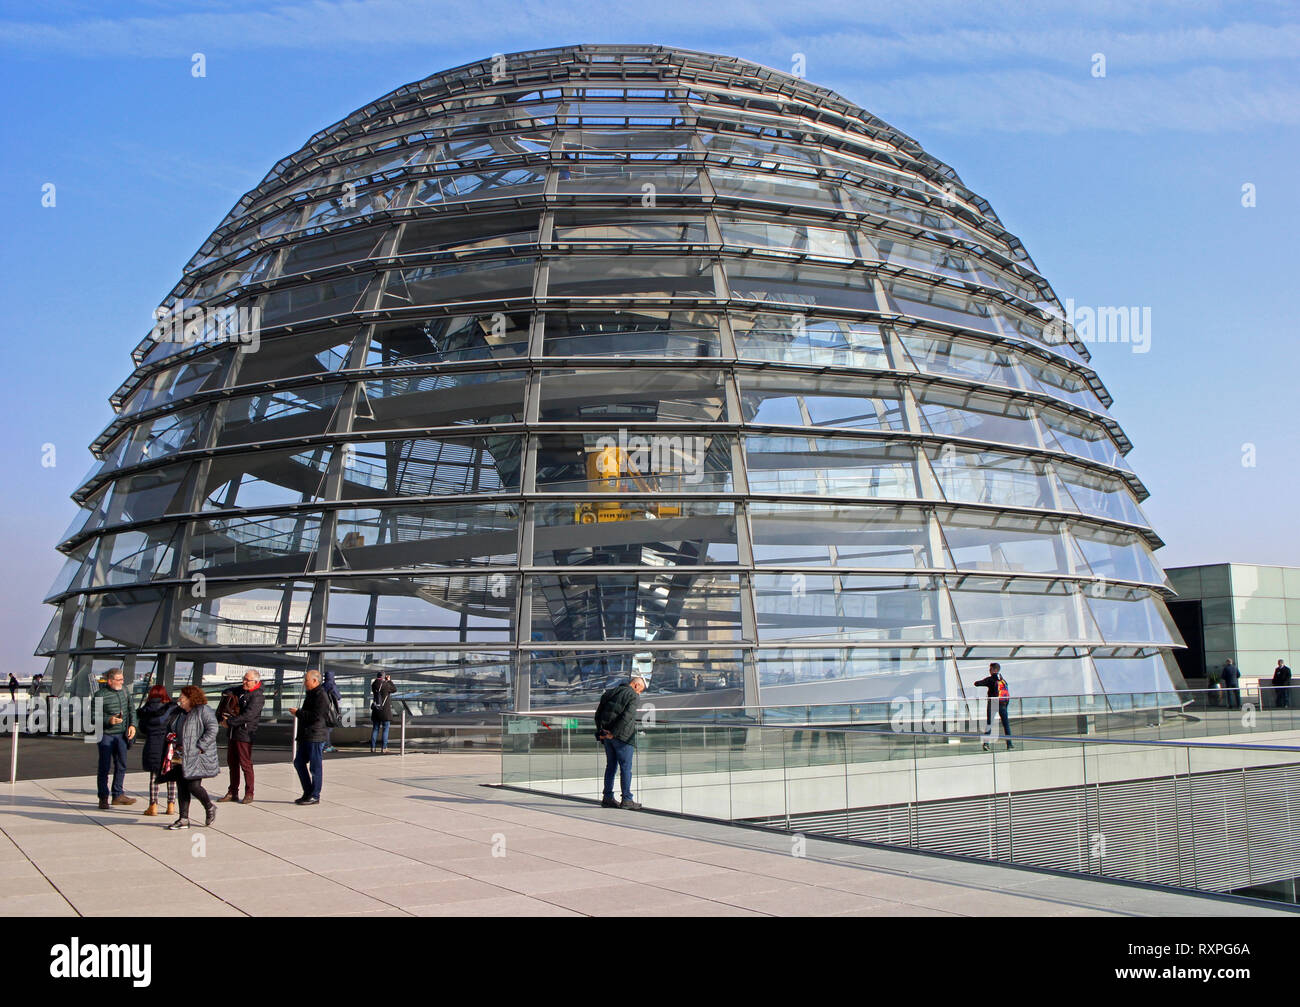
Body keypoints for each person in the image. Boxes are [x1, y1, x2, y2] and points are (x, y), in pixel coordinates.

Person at [161, 685, 219, 829]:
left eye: (182, 696)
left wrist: (200, 746)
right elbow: (169, 726)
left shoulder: (203, 710)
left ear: (190, 698)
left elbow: (213, 729)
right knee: (182, 786)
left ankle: (209, 806)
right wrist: (170, 736)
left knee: (193, 786)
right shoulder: (179, 712)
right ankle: (183, 818)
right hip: (179, 754)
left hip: (196, 755)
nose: (179, 699)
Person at [594, 673, 647, 810]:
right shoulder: (633, 696)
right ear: (636, 685)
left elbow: (598, 714)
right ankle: (627, 799)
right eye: (640, 690)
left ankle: (607, 797)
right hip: (622, 737)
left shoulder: (609, 693)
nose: (639, 693)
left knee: (610, 766)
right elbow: (627, 717)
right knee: (625, 768)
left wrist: (602, 732)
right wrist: (614, 733)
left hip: (606, 736)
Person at [217, 669, 264, 804]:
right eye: (243, 679)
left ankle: (249, 793)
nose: (244, 682)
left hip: (245, 733)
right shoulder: (242, 690)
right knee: (232, 763)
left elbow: (249, 715)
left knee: (245, 764)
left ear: (255, 682)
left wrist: (229, 722)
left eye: (247, 680)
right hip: (233, 732)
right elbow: (230, 690)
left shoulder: (258, 696)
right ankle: (232, 792)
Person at [94, 667, 137, 810]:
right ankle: (103, 797)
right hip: (106, 735)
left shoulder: (125, 692)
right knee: (104, 767)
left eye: (122, 679)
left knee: (121, 764)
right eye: (119, 680)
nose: (122, 682)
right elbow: (93, 717)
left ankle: (118, 794)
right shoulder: (100, 695)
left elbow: (132, 710)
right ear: (110, 681)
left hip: (122, 735)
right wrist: (109, 720)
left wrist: (132, 725)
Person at [136, 685, 180, 817]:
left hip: (152, 745)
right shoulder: (172, 709)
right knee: (171, 775)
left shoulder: (145, 710)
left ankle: (153, 806)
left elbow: (142, 729)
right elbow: (176, 726)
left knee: (154, 776)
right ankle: (171, 805)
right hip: (169, 745)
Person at [291, 670, 328, 805]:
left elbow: (316, 716)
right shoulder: (311, 694)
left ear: (314, 681)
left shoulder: (321, 695)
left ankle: (315, 795)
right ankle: (308, 792)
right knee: (298, 762)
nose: (304, 683)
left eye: (306, 680)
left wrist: (298, 713)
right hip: (306, 735)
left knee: (315, 766)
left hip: (315, 736)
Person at [973, 662, 1013, 751]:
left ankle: (986, 744)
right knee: (1006, 724)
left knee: (989, 724)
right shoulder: (1003, 680)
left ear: (994, 670)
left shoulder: (990, 679)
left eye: (990, 669)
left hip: (993, 703)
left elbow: (977, 683)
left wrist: (977, 683)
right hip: (1003, 704)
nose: (989, 670)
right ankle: (1009, 744)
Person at [369, 671, 396, 754]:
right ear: (384, 677)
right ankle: (384, 748)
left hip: (376, 709)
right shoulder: (386, 685)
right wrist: (389, 681)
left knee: (375, 729)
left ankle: (373, 748)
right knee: (385, 729)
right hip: (385, 711)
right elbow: (394, 689)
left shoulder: (374, 684)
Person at [322, 668, 342, 753]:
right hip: (329, 711)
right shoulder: (332, 685)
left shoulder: (322, 685)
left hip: (322, 710)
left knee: (325, 728)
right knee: (328, 728)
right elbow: (338, 697)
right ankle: (326, 746)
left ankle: (327, 744)